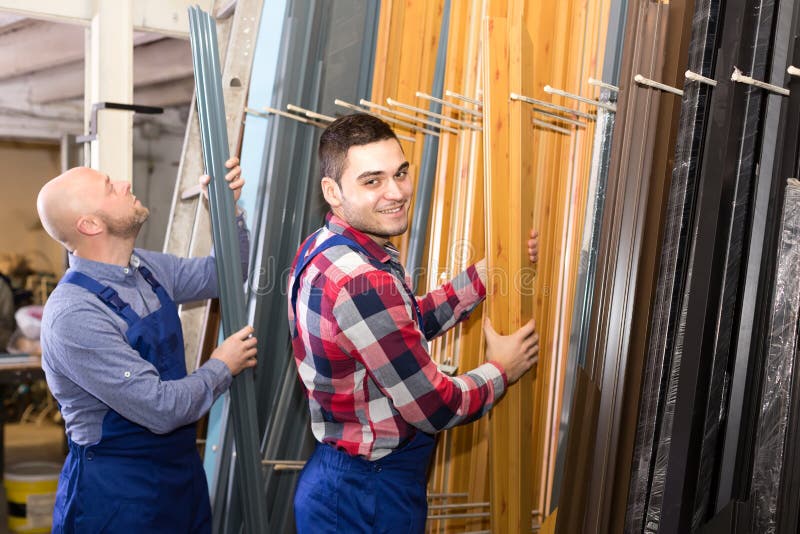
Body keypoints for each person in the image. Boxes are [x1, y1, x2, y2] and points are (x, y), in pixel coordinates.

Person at [287, 113, 540, 533]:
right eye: (372, 181)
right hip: (366, 495)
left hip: (352, 482)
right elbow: (434, 406)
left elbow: (402, 325)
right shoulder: (362, 280)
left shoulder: (328, 246)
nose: (396, 192)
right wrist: (502, 371)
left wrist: (486, 274)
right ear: (332, 191)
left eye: (400, 173)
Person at [37, 160, 256, 533]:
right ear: (90, 224)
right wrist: (222, 365)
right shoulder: (74, 315)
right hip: (117, 497)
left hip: (178, 476)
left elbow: (226, 276)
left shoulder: (145, 268)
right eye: (109, 187)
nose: (124, 183)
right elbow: (160, 408)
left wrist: (226, 209)